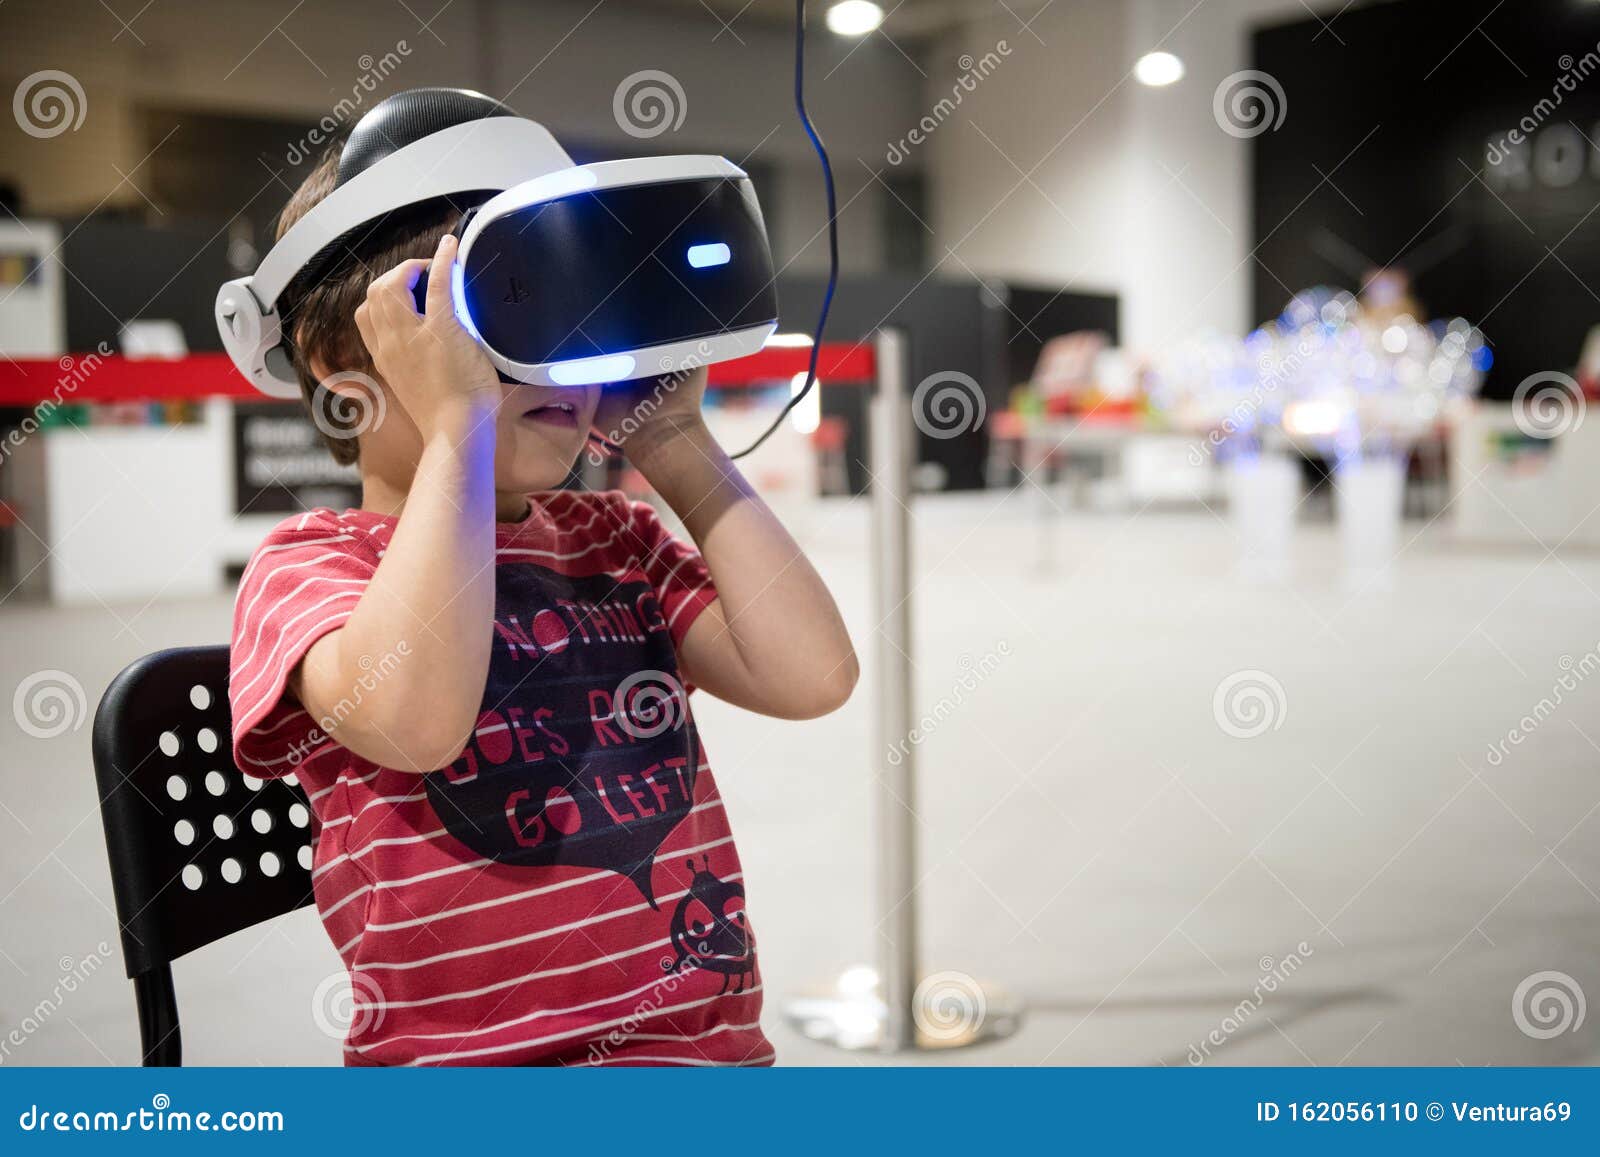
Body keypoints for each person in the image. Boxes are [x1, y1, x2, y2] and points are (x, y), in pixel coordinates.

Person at [227, 103, 857, 1067]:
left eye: (577, 306)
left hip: (703, 1060)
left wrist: (676, 442)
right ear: (342, 361)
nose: (555, 350)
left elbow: (812, 676)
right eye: (506, 304)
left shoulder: (617, 541)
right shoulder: (311, 568)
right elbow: (414, 722)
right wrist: (457, 428)